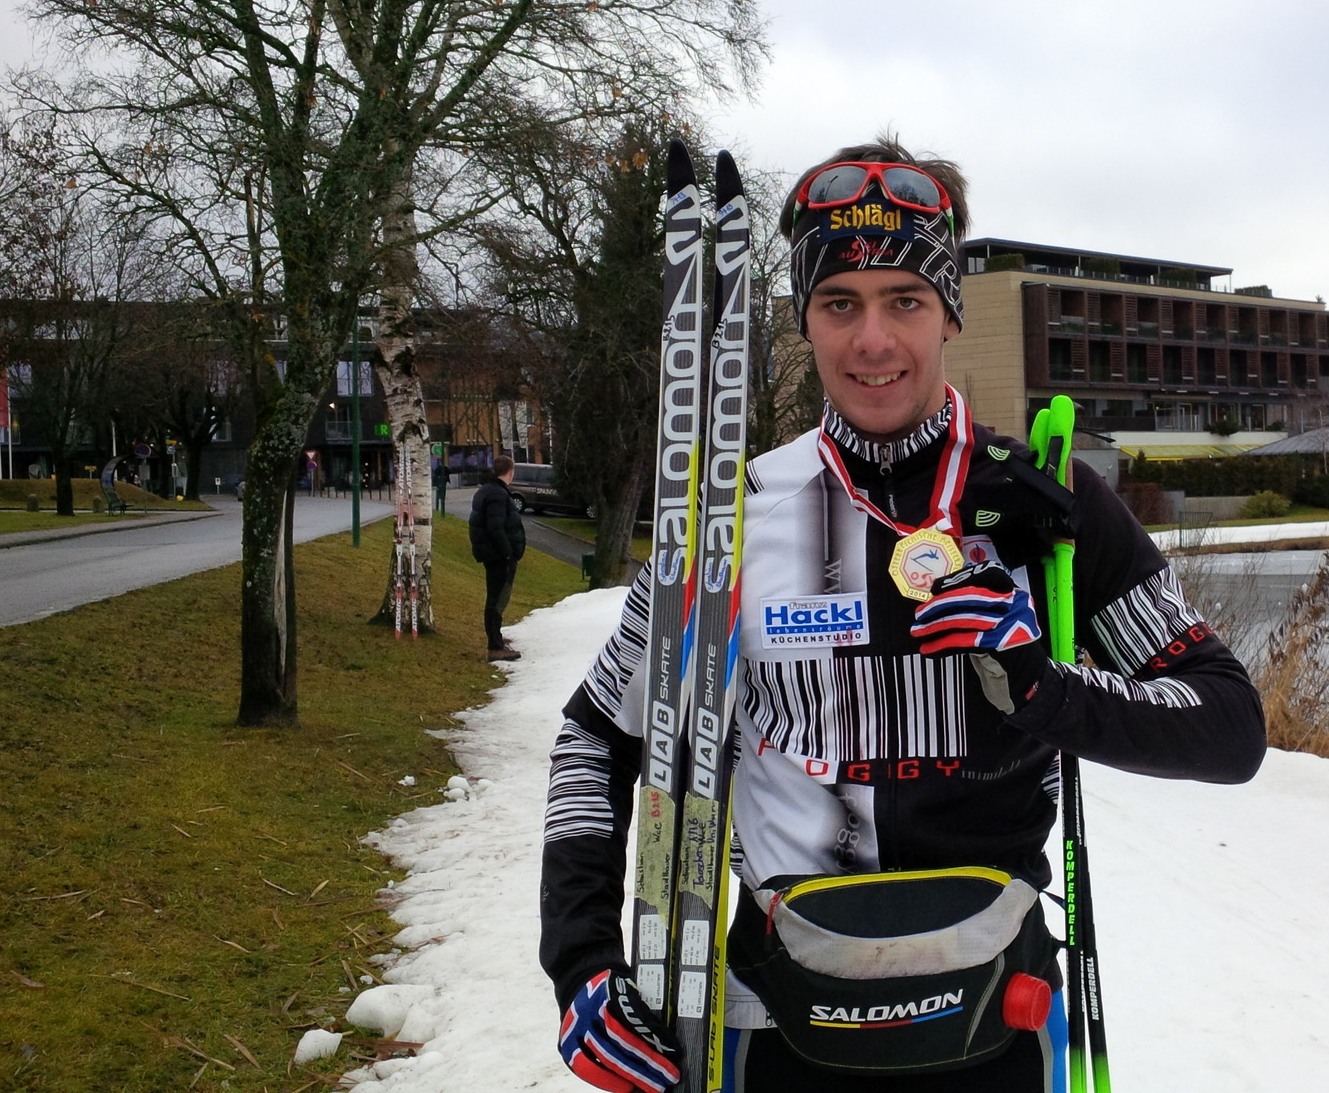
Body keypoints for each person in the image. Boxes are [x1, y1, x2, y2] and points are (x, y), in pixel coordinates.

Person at [538, 137, 1265, 1093]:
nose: (871, 341)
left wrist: (1044, 689)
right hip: (782, 1023)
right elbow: (596, 737)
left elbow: (1228, 727)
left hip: (993, 1019)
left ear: (949, 312)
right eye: (840, 304)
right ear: (806, 320)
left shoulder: (1051, 506)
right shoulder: (734, 517)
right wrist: (582, 962)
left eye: (904, 302)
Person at [470, 455, 526, 662]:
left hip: (493, 555)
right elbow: (495, 527)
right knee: (497, 599)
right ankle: (495, 646)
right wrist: (508, 552)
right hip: (499, 557)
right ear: (510, 471)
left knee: (496, 598)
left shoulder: (488, 490)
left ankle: (497, 640)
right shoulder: (497, 494)